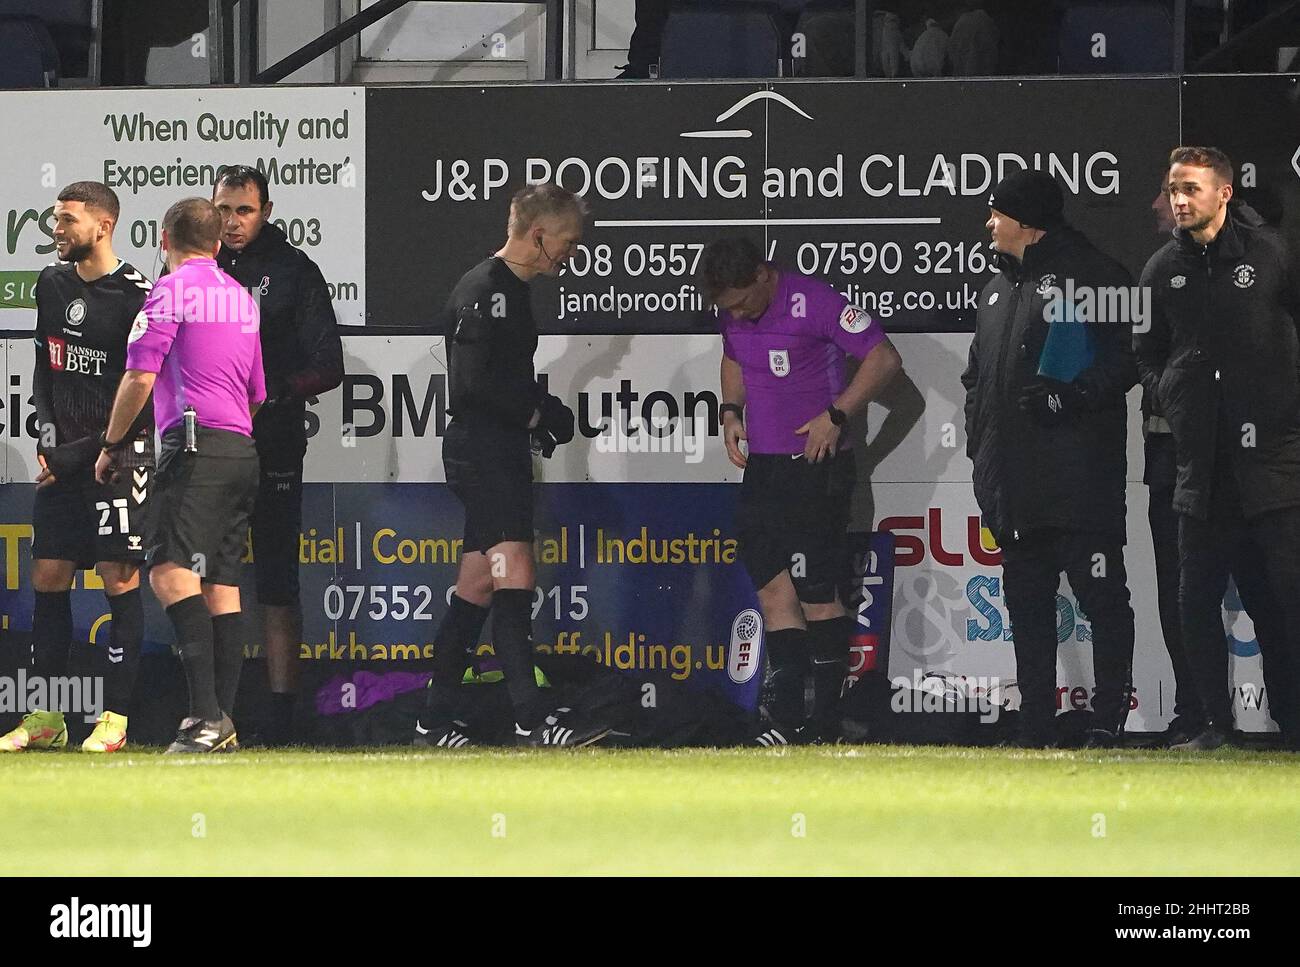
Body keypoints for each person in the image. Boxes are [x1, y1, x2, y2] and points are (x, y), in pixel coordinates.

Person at [700, 236, 902, 745]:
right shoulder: (736, 314)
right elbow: (732, 356)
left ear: (764, 274)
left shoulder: (814, 300)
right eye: (729, 309)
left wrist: (836, 416)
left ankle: (826, 722)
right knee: (771, 589)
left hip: (816, 471)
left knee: (817, 593)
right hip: (764, 471)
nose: (739, 315)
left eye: (743, 302)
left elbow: (883, 358)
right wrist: (730, 411)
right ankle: (787, 718)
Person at [961, 168, 1137, 748]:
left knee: (1103, 600)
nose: (988, 223)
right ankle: (1035, 723)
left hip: (1078, 482)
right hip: (1013, 485)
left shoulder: (1096, 274)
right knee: (1027, 608)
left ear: (1027, 221)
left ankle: (1108, 720)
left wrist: (1075, 393)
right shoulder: (993, 289)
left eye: (996, 213)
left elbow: (1132, 360)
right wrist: (979, 448)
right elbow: (975, 379)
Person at [1135, 146, 1300, 751]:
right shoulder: (1160, 270)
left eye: (1191, 189)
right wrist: (1172, 393)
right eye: (1173, 189)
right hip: (1198, 468)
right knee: (1193, 599)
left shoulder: (1273, 255)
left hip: (1274, 464)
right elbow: (1146, 354)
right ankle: (1211, 725)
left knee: (1285, 596)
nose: (1179, 200)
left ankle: (1293, 719)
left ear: (1224, 193)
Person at [95, 197, 265, 754]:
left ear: (163, 240)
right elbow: (257, 394)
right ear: (217, 244)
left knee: (168, 572)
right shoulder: (242, 299)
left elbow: (140, 375)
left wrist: (113, 443)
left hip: (194, 449)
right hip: (241, 449)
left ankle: (204, 719)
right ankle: (223, 722)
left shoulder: (169, 291)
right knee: (220, 582)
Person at [414, 184, 581, 748]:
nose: (571, 253)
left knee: (478, 584)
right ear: (539, 235)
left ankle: (432, 723)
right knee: (516, 577)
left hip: (497, 450)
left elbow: (501, 377)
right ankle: (533, 720)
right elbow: (470, 386)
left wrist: (539, 410)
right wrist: (536, 412)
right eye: (568, 242)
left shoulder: (511, 290)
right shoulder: (484, 290)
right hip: (483, 454)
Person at [0, 182, 154, 755]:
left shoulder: (140, 295)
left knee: (119, 579)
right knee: (48, 576)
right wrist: (46, 436)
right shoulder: (50, 283)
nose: (56, 230)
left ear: (104, 225)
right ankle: (46, 716)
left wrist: (82, 452)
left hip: (118, 459)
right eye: (54, 220)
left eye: (66, 221)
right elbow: (44, 364)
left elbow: (141, 392)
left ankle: (114, 718)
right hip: (63, 460)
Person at [213, 165, 344, 746]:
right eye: (224, 209)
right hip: (211, 446)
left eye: (244, 210)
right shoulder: (198, 269)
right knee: (207, 573)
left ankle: (282, 720)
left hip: (276, 444)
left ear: (267, 210)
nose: (233, 221)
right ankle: (209, 709)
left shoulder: (294, 271)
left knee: (275, 580)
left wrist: (275, 392)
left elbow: (330, 364)